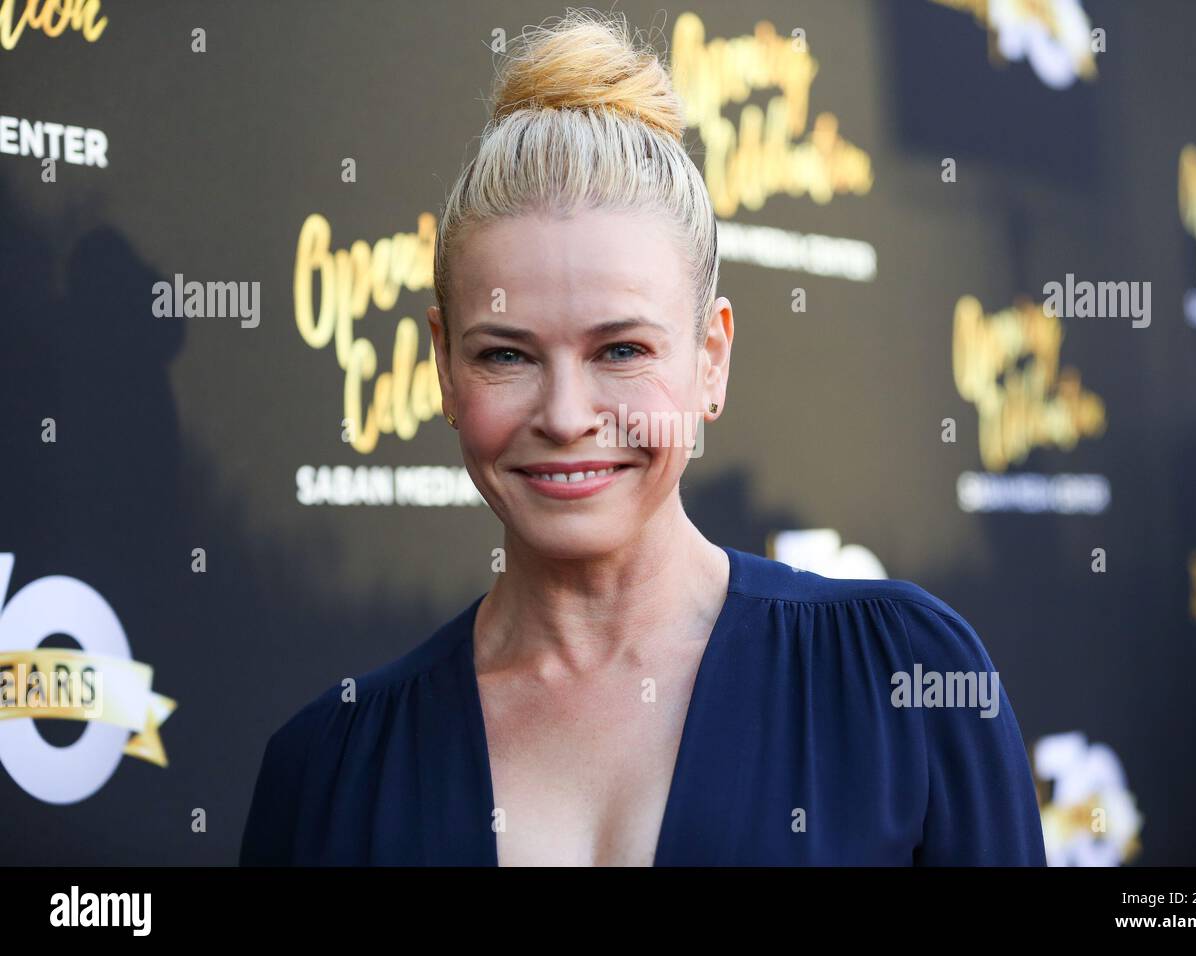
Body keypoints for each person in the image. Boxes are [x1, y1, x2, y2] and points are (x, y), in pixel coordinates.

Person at [239, 8, 1046, 866]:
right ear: (443, 364)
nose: (564, 413)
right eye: (506, 354)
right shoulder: (327, 771)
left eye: (620, 350)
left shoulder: (903, 684)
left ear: (710, 360)